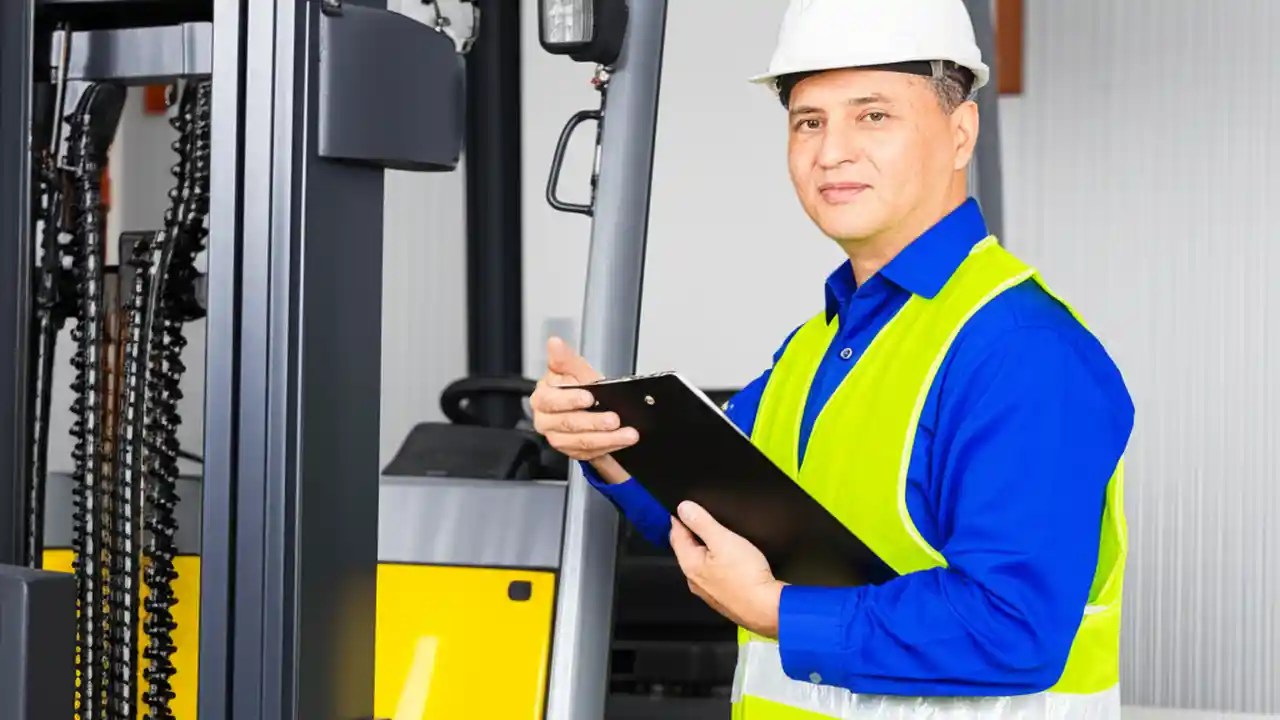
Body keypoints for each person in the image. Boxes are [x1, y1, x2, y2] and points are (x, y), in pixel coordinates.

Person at [530, 0, 1134, 717]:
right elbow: (716, 520)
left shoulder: (1025, 354)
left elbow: (1013, 627)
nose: (831, 151)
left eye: (872, 115)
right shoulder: (814, 348)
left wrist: (781, 612)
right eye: (808, 121)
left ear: (960, 132)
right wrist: (610, 442)